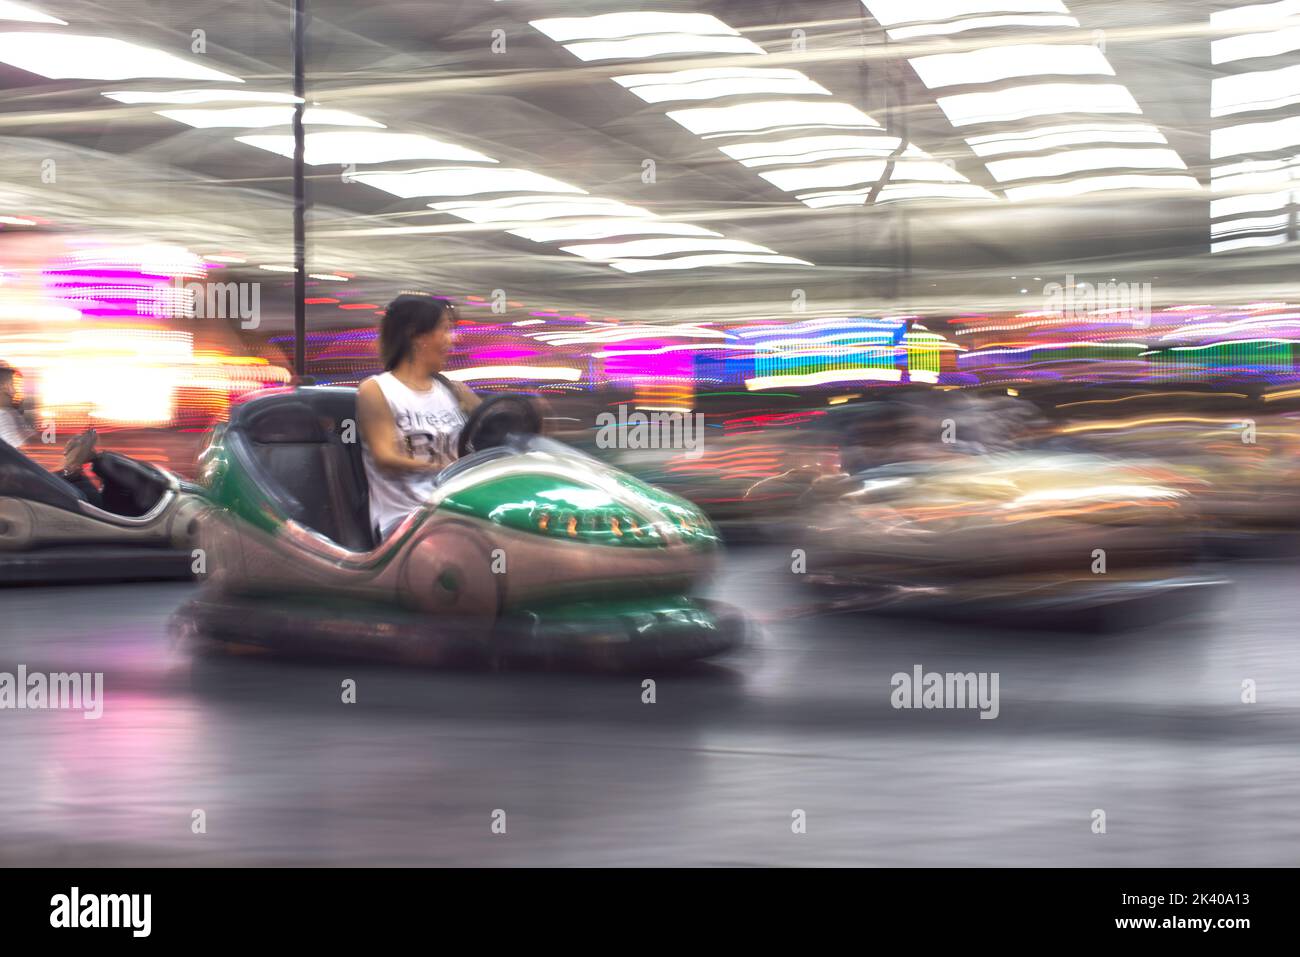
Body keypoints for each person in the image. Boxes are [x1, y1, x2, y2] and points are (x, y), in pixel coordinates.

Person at [358, 294, 481, 541]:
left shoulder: (455, 391)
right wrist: (449, 469)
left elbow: (494, 431)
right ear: (417, 336)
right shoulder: (377, 390)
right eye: (445, 330)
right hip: (407, 523)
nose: (451, 341)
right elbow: (385, 457)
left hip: (458, 511)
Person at [0, 364, 33, 448]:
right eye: (12, 384)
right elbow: (22, 453)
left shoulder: (9, 414)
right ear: (4, 387)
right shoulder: (4, 416)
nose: (14, 392)